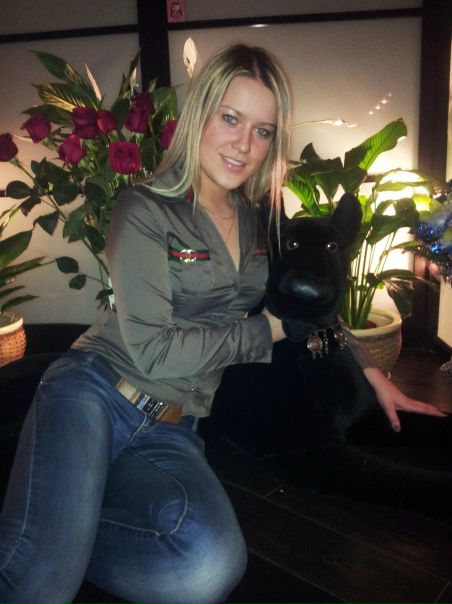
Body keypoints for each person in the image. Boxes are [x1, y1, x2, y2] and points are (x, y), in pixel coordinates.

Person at [0, 43, 445, 604]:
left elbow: (315, 305)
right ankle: (49, 540)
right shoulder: (144, 208)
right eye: (230, 118)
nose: (244, 144)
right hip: (94, 391)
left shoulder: (263, 224)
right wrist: (271, 330)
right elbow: (155, 351)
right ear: (199, 115)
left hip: (174, 424)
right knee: (40, 584)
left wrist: (371, 373)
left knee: (208, 566)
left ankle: (58, 526)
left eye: (263, 130)